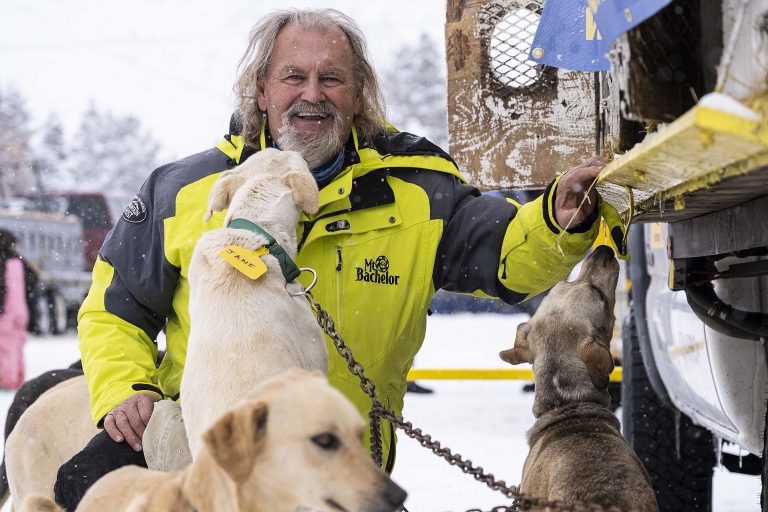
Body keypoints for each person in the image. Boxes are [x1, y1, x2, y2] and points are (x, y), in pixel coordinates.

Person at [56, 8, 607, 509]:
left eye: (332, 78)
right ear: (261, 90)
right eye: (294, 76)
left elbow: (511, 259)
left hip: (343, 479)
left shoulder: (416, 186)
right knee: (84, 479)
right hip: (207, 473)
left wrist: (557, 216)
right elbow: (112, 311)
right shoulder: (185, 190)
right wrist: (127, 389)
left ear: (360, 92)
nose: (312, 94)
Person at [0, 229, 30, 390]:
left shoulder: (3, 262)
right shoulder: (17, 262)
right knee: (17, 343)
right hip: (20, 310)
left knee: (4, 347)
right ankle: (17, 376)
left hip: (6, 311)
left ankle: (7, 380)